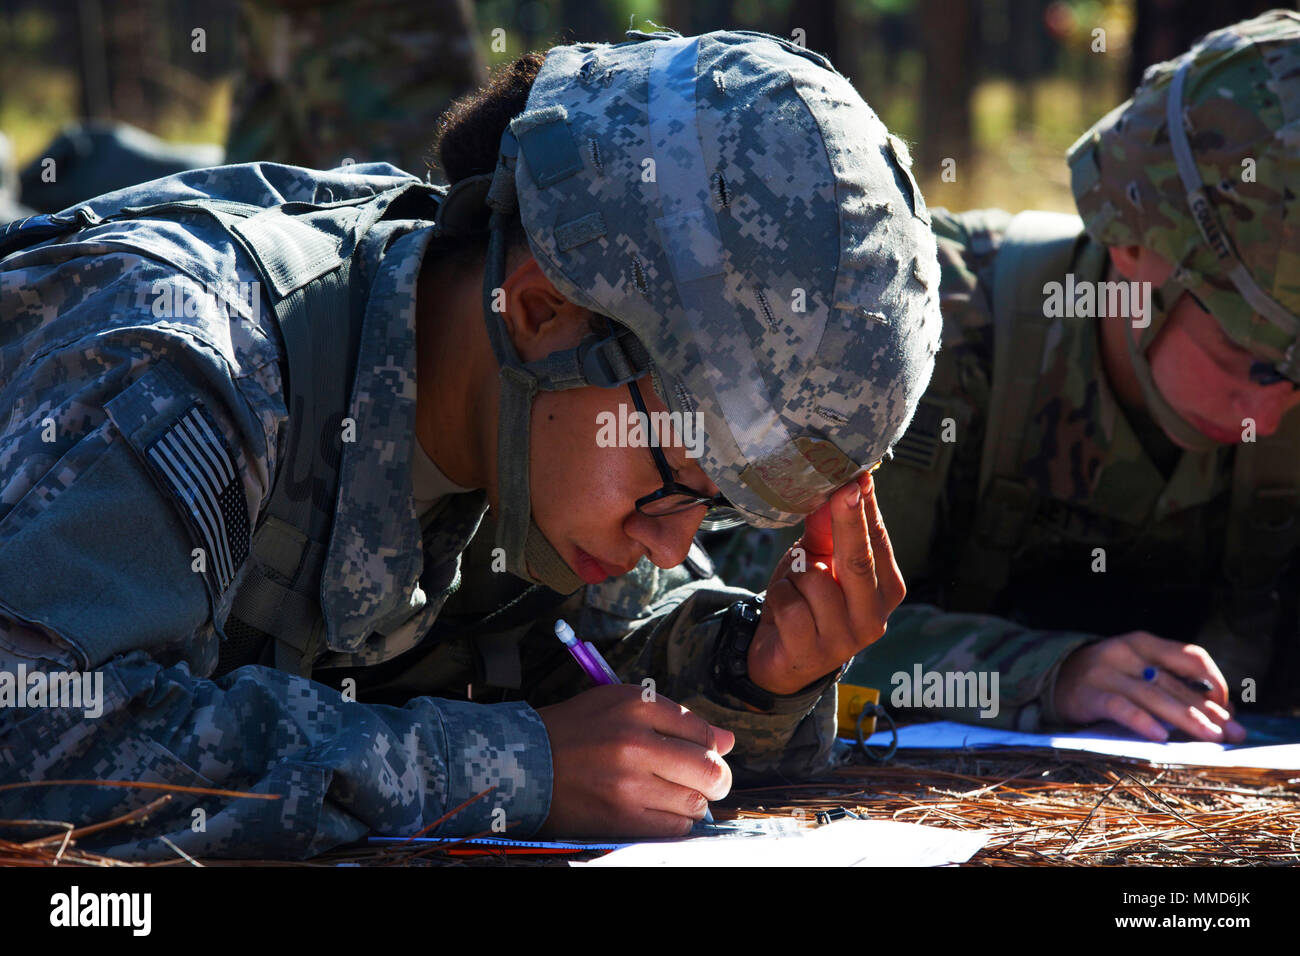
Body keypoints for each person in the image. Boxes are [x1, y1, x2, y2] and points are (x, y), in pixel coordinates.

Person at [0, 29, 940, 859]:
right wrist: (506, 771)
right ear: (541, 310)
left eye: (716, 502)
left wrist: (758, 674)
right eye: (680, 480)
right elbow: (32, 741)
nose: (671, 537)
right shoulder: (186, 361)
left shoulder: (533, 416)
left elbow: (601, 653)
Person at [711, 10, 1300, 742]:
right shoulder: (918, 336)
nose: (1272, 414)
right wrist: (1050, 672)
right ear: (1136, 247)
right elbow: (773, 632)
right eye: (1252, 357)